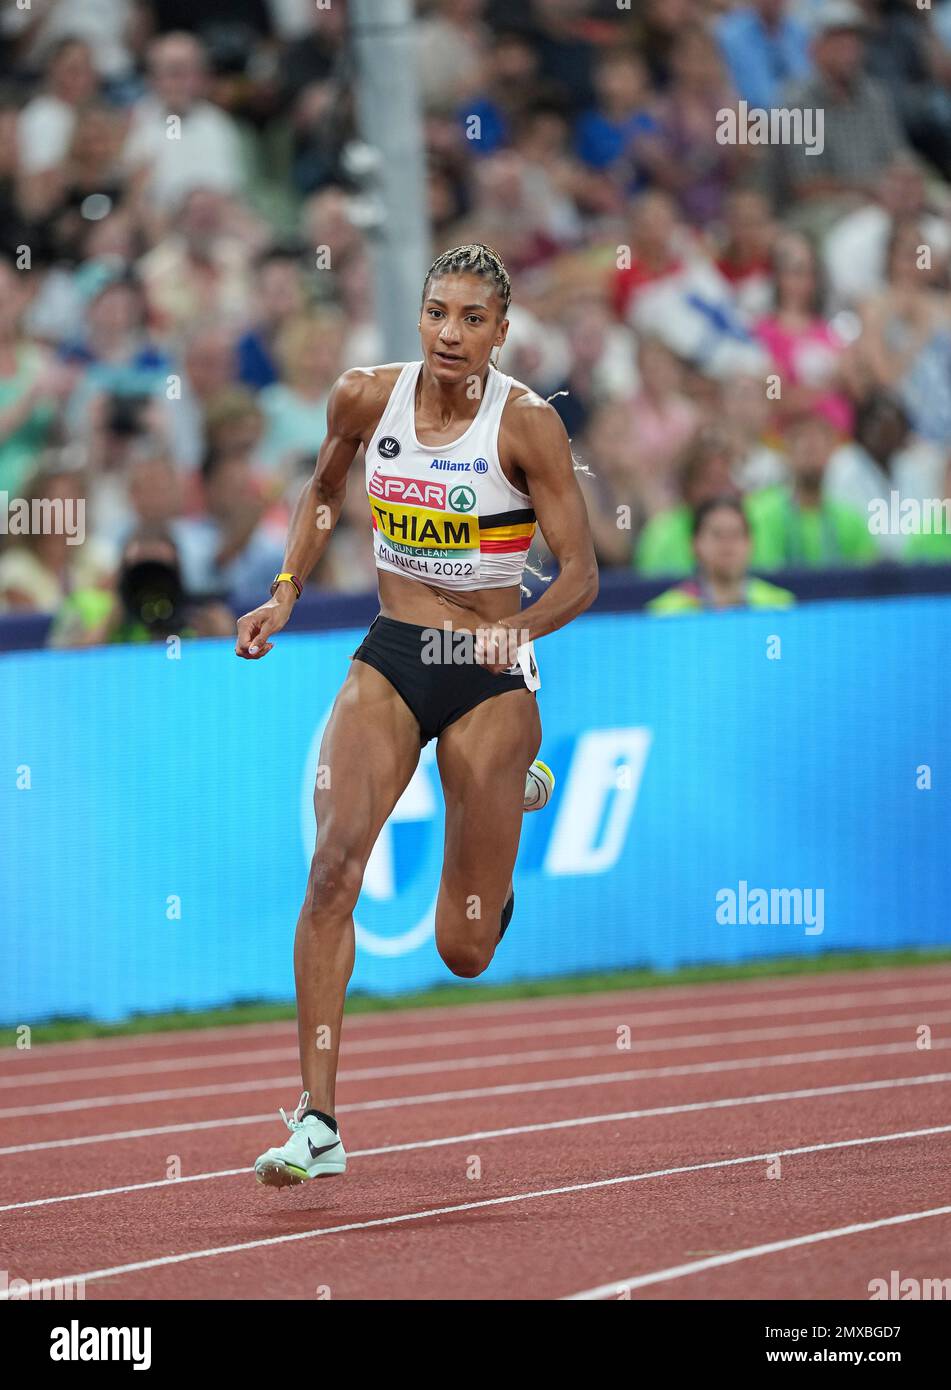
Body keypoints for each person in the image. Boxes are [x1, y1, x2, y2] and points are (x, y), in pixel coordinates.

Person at [236, 243, 598, 1186]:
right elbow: (320, 494)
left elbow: (583, 573)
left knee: (463, 947)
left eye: (472, 318)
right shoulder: (364, 396)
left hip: (485, 669)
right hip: (396, 652)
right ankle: (317, 1120)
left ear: (499, 331)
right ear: (420, 314)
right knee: (330, 871)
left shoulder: (527, 425)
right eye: (438, 311)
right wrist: (285, 590)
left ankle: (514, 786)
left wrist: (515, 627)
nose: (450, 332)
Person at [647, 496, 795, 614]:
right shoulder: (666, 612)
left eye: (736, 534)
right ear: (695, 544)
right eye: (717, 535)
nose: (727, 544)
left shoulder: (780, 606)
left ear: (751, 543)